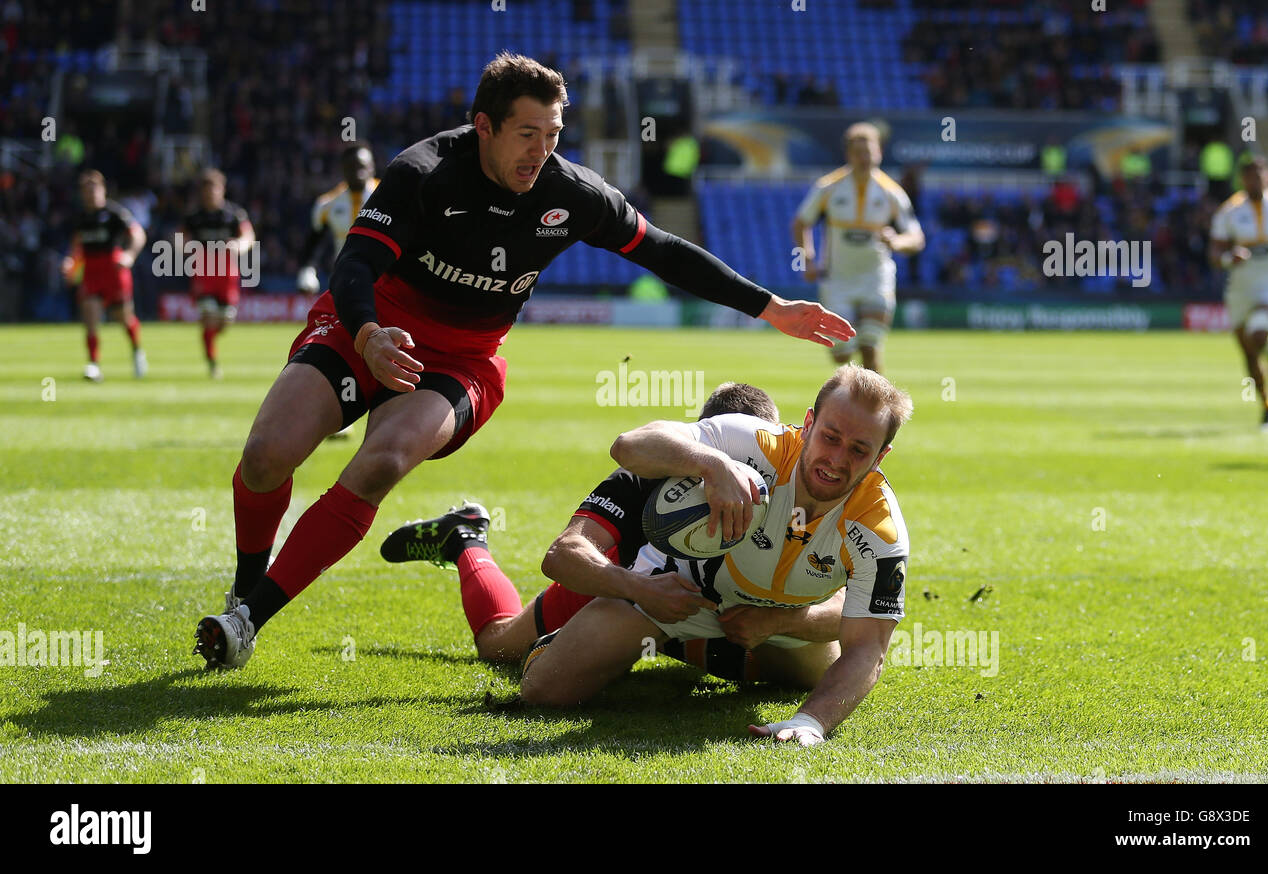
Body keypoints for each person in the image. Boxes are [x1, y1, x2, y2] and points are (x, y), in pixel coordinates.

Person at [193, 52, 853, 670]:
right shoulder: (421, 172)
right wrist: (367, 335)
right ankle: (247, 584)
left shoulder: (573, 194)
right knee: (265, 456)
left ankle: (249, 619)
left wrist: (769, 307)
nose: (543, 152)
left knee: (382, 462)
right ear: (484, 127)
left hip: (462, 358)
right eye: (527, 135)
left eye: (555, 135)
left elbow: (663, 251)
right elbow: (355, 264)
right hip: (366, 329)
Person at [520, 365, 912, 748]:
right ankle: (653, 637)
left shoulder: (880, 528)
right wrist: (714, 462)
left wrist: (810, 723)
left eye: (860, 450)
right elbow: (628, 445)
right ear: (808, 423)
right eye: (831, 436)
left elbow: (867, 648)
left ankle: (695, 648)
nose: (838, 459)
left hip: (779, 620)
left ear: (881, 456)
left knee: (821, 676)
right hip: (675, 590)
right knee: (545, 691)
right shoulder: (754, 441)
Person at [380, 382, 845, 684]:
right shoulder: (647, 474)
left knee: (808, 665)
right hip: (623, 584)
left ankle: (653, 642)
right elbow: (562, 554)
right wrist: (638, 587)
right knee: (499, 646)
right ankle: (466, 538)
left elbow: (852, 608)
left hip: (710, 612)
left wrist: (781, 622)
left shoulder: (794, 490)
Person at [792, 122, 924, 373]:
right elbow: (800, 223)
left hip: (876, 278)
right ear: (848, 155)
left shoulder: (892, 193)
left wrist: (896, 241)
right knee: (841, 356)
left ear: (879, 153)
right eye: (858, 152)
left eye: (869, 151)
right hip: (837, 279)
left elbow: (916, 237)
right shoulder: (828, 187)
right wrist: (807, 258)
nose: (865, 158)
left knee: (870, 348)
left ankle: (876, 410)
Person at [1208, 158, 1268, 429]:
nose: (1255, 182)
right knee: (1248, 352)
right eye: (1249, 177)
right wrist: (1227, 258)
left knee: (1257, 334)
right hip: (1240, 288)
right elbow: (1214, 252)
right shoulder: (1229, 212)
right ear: (1242, 181)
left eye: (1259, 176)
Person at [62, 169, 147, 382]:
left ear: (103, 190)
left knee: (123, 318)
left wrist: (129, 255)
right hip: (91, 270)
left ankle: (137, 351)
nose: (91, 195)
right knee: (90, 315)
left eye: (95, 189)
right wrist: (70, 262)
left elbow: (138, 234)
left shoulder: (115, 214)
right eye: (87, 191)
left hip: (114, 269)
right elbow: (77, 245)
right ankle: (93, 364)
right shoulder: (81, 217)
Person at [181, 169, 255, 378]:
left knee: (224, 321)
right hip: (203, 273)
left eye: (214, 189)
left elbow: (248, 236)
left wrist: (239, 245)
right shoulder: (194, 217)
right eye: (206, 190)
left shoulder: (233, 214)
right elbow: (179, 237)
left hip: (227, 275)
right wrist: (186, 246)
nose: (210, 194)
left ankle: (209, 337)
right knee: (209, 314)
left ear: (222, 190)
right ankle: (212, 362)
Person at [296, 143, 379, 299]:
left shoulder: (390, 198)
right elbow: (314, 243)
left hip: (384, 278)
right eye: (351, 167)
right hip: (346, 279)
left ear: (372, 167)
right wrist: (307, 270)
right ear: (343, 170)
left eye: (361, 166)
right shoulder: (326, 204)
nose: (358, 172)